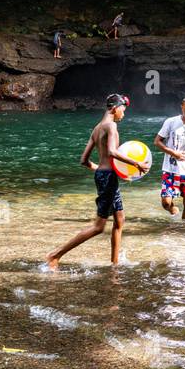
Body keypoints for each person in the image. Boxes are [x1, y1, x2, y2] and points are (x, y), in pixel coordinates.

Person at [46, 94, 147, 269]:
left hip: (105, 175)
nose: (124, 113)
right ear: (115, 108)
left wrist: (102, 170)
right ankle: (55, 255)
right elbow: (113, 152)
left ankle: (115, 264)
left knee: (120, 219)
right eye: (123, 109)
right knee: (99, 227)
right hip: (107, 178)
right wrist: (137, 163)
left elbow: (84, 160)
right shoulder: (111, 126)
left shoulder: (97, 128)